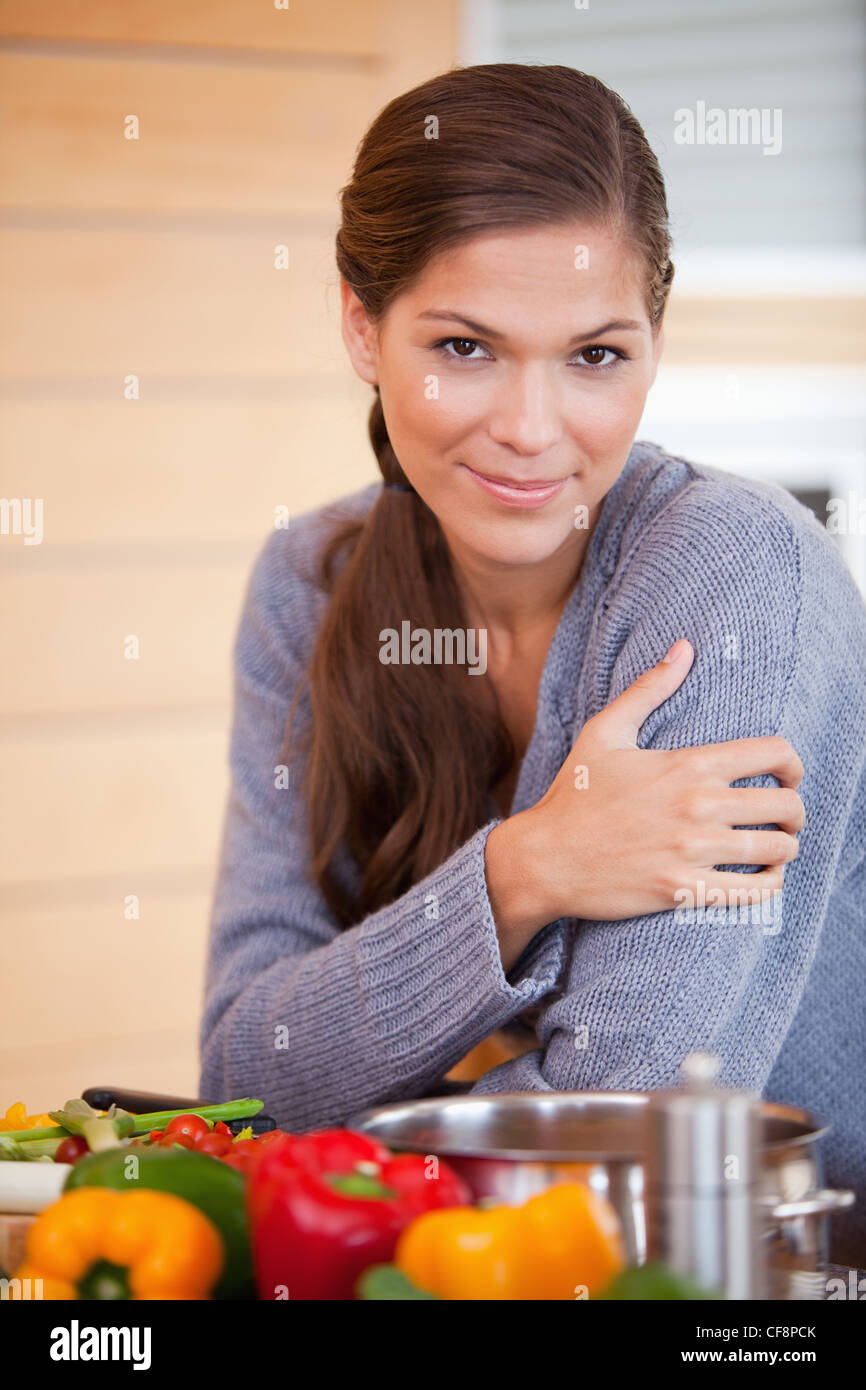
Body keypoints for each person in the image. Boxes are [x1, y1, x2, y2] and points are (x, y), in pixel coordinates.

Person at [198, 64, 866, 1264]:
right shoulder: (308, 582)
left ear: (654, 340)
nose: (529, 427)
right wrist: (522, 869)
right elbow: (244, 1076)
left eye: (593, 356)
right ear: (361, 324)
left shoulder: (737, 574)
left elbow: (620, 1136)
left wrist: (366, 1088)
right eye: (464, 345)